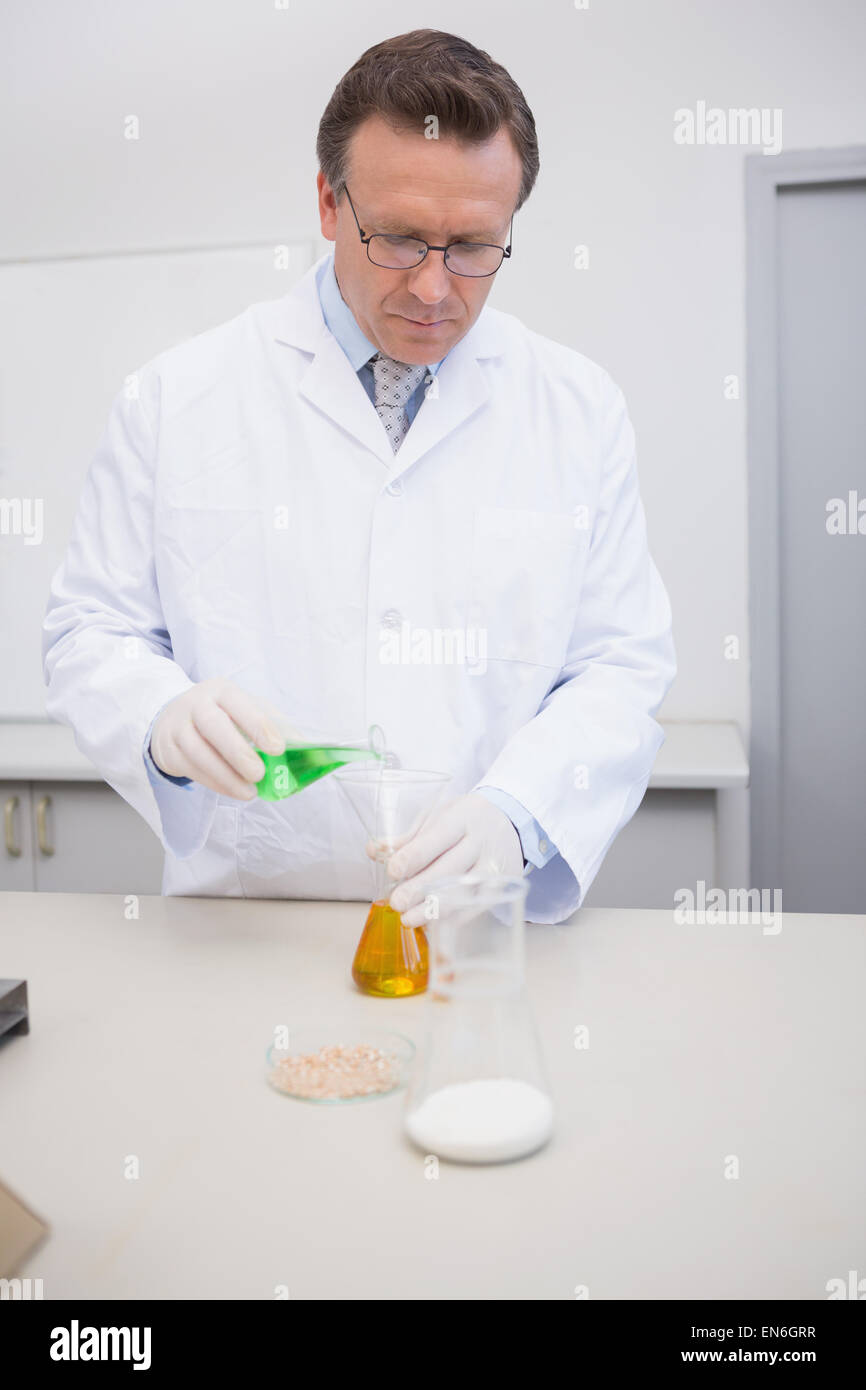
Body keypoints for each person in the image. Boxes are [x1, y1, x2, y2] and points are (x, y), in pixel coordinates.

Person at [42, 29, 676, 925]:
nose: (432, 287)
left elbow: (620, 662)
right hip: (246, 922)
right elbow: (90, 629)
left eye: (473, 247)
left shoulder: (577, 407)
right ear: (329, 204)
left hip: (476, 931)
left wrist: (519, 813)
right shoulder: (176, 398)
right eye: (401, 239)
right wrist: (159, 716)